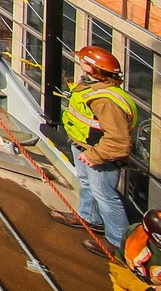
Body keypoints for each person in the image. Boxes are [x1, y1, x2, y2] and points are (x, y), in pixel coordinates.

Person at [54, 45, 140, 252]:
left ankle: (118, 242)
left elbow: (118, 141)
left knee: (105, 195)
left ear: (92, 69)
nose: (80, 63)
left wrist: (95, 155)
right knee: (87, 184)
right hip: (84, 145)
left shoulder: (105, 101)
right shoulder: (93, 88)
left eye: (84, 61)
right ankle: (89, 217)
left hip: (97, 153)